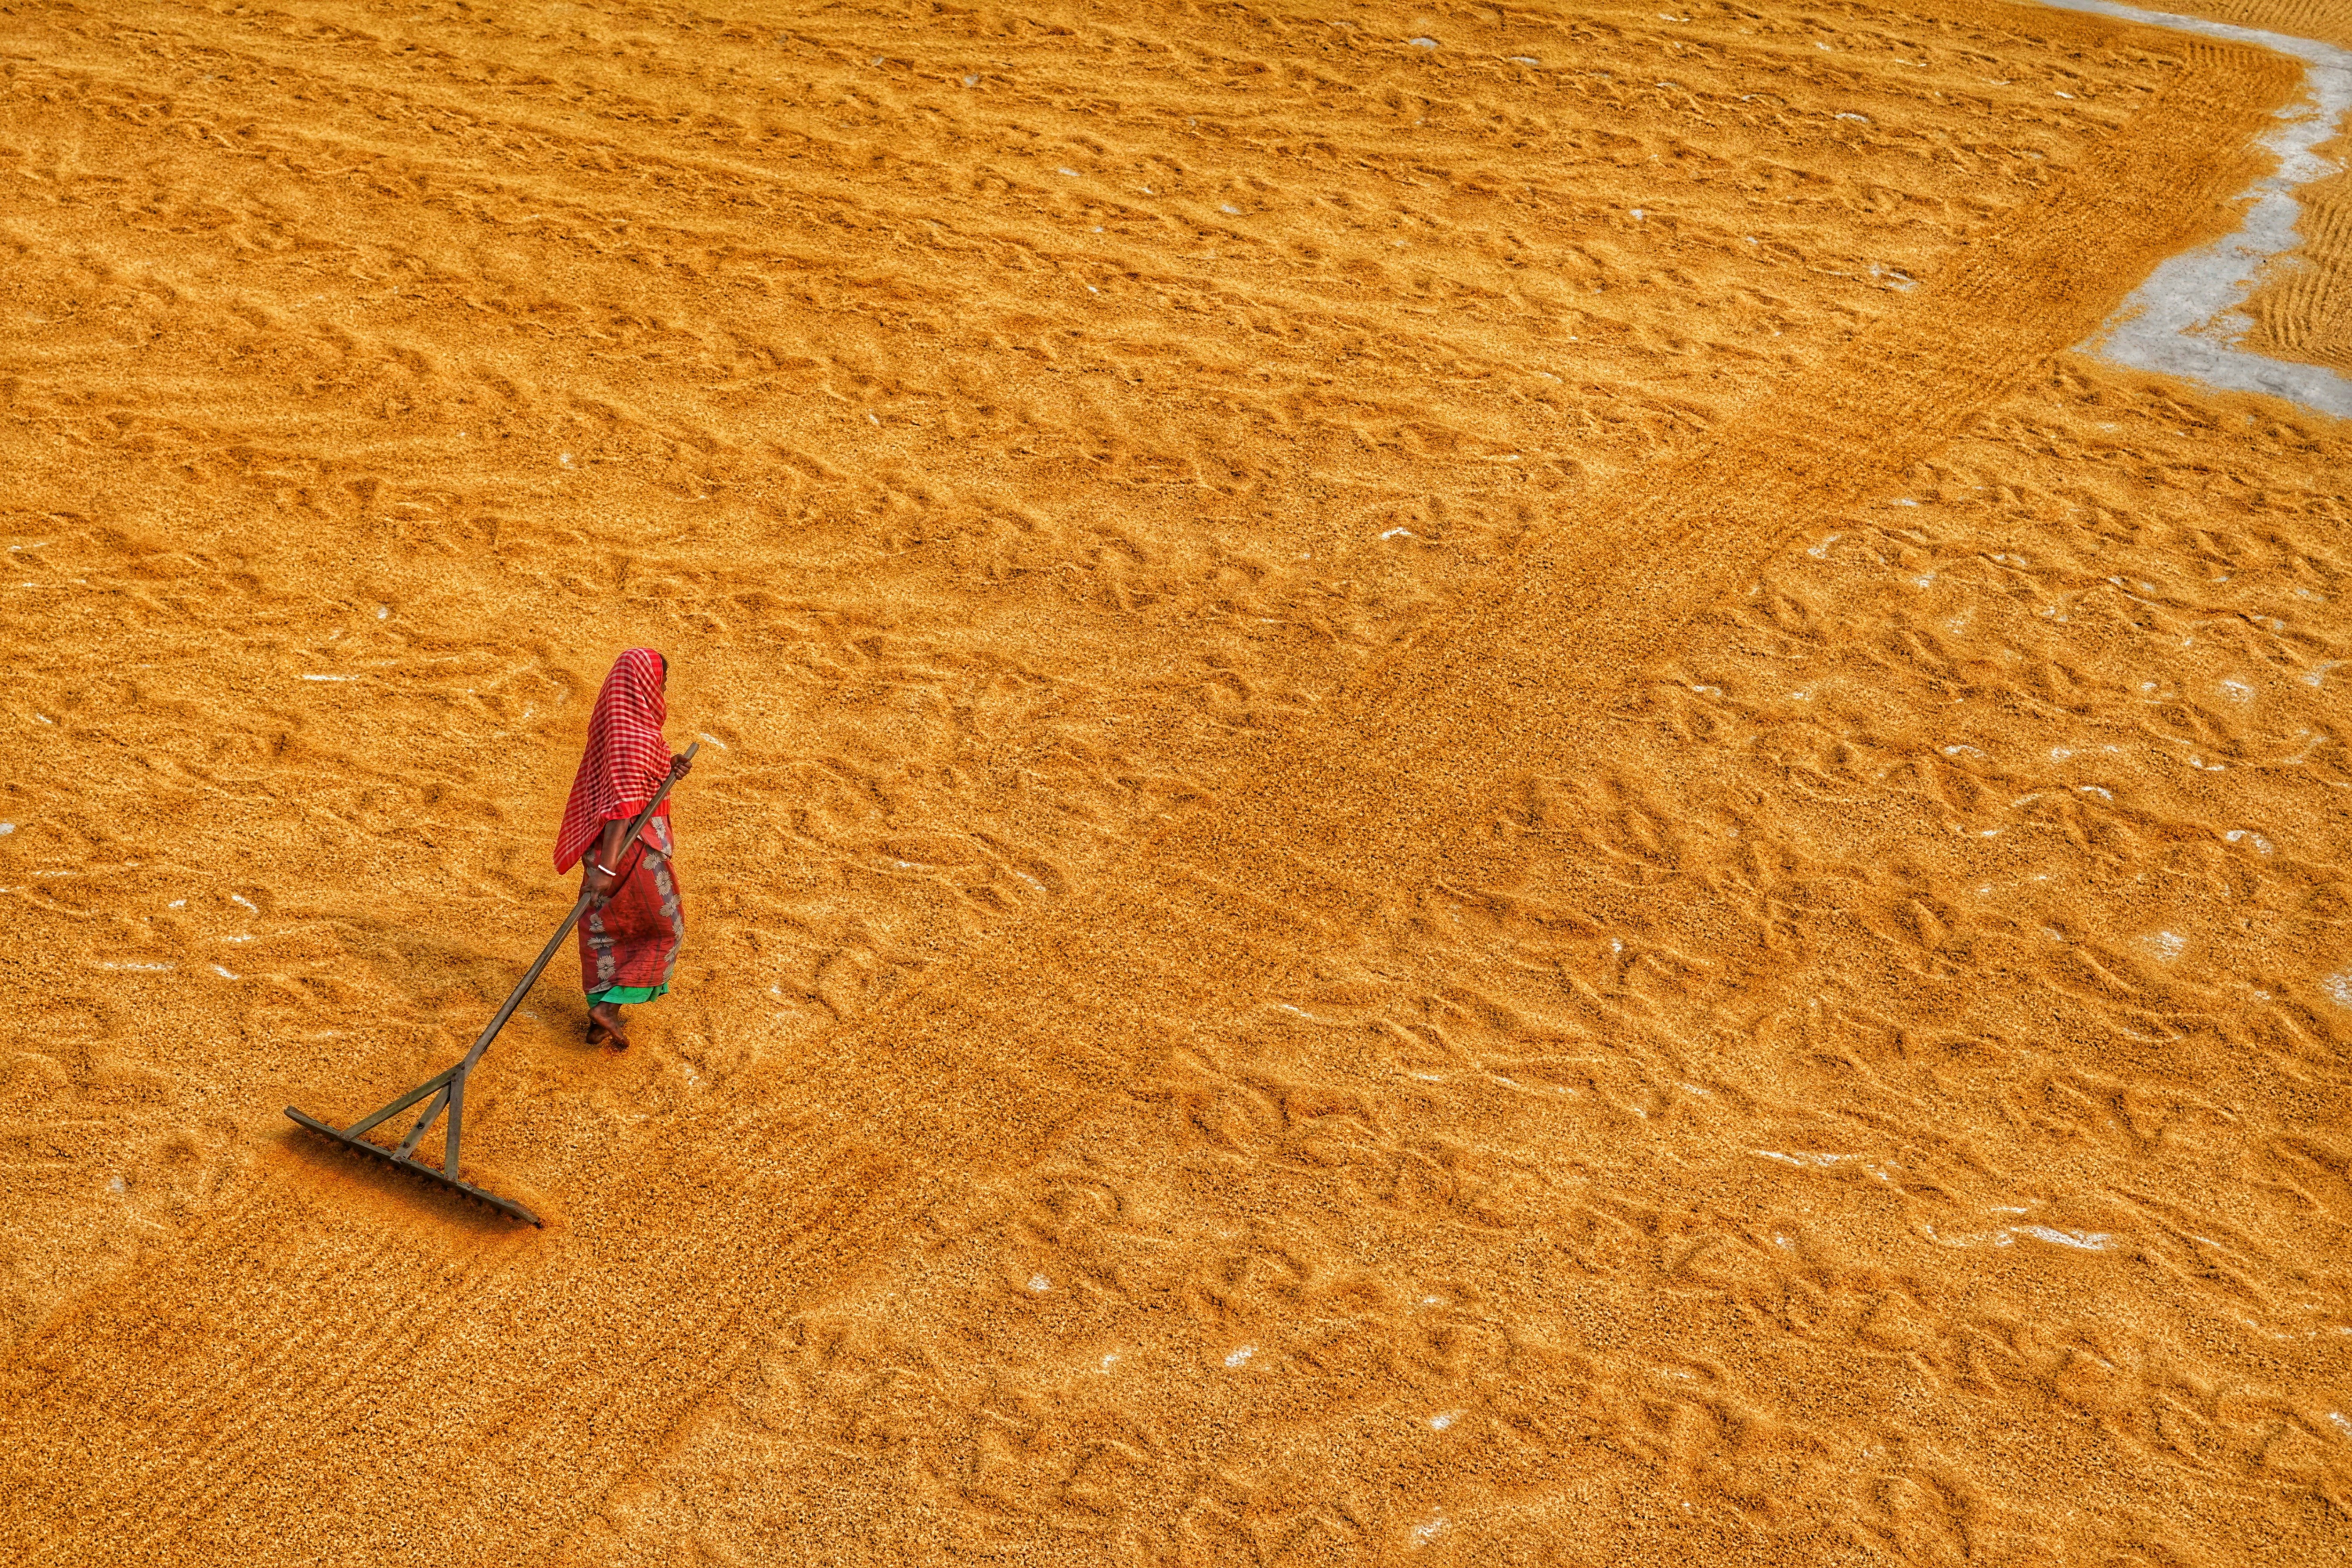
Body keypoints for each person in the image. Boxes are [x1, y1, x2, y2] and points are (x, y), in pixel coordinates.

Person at [553, 649, 693, 1048]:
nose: (663, 691)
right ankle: (609, 1008)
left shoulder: (617, 728)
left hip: (602, 849)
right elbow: (623, 808)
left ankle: (599, 1018)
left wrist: (670, 768)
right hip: (631, 849)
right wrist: (610, 868)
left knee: (604, 928)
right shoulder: (639, 737)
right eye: (661, 684)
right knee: (664, 930)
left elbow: (636, 781)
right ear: (646, 687)